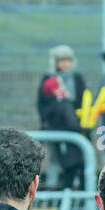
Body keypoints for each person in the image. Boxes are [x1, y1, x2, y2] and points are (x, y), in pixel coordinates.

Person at [37, 46, 87, 190]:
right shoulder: (49, 79)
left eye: (67, 60)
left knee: (75, 156)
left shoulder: (77, 78)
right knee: (54, 156)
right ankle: (52, 186)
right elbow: (42, 102)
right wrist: (46, 120)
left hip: (73, 124)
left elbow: (83, 99)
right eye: (61, 61)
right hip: (56, 124)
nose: (65, 64)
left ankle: (74, 188)